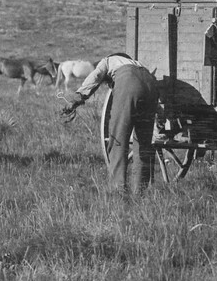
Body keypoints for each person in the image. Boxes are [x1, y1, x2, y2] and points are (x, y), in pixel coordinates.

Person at [60, 53, 158, 193]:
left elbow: (95, 76)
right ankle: (140, 193)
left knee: (118, 139)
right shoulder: (138, 63)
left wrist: (77, 98)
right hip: (151, 86)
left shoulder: (108, 61)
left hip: (128, 83)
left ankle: (118, 191)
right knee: (143, 145)